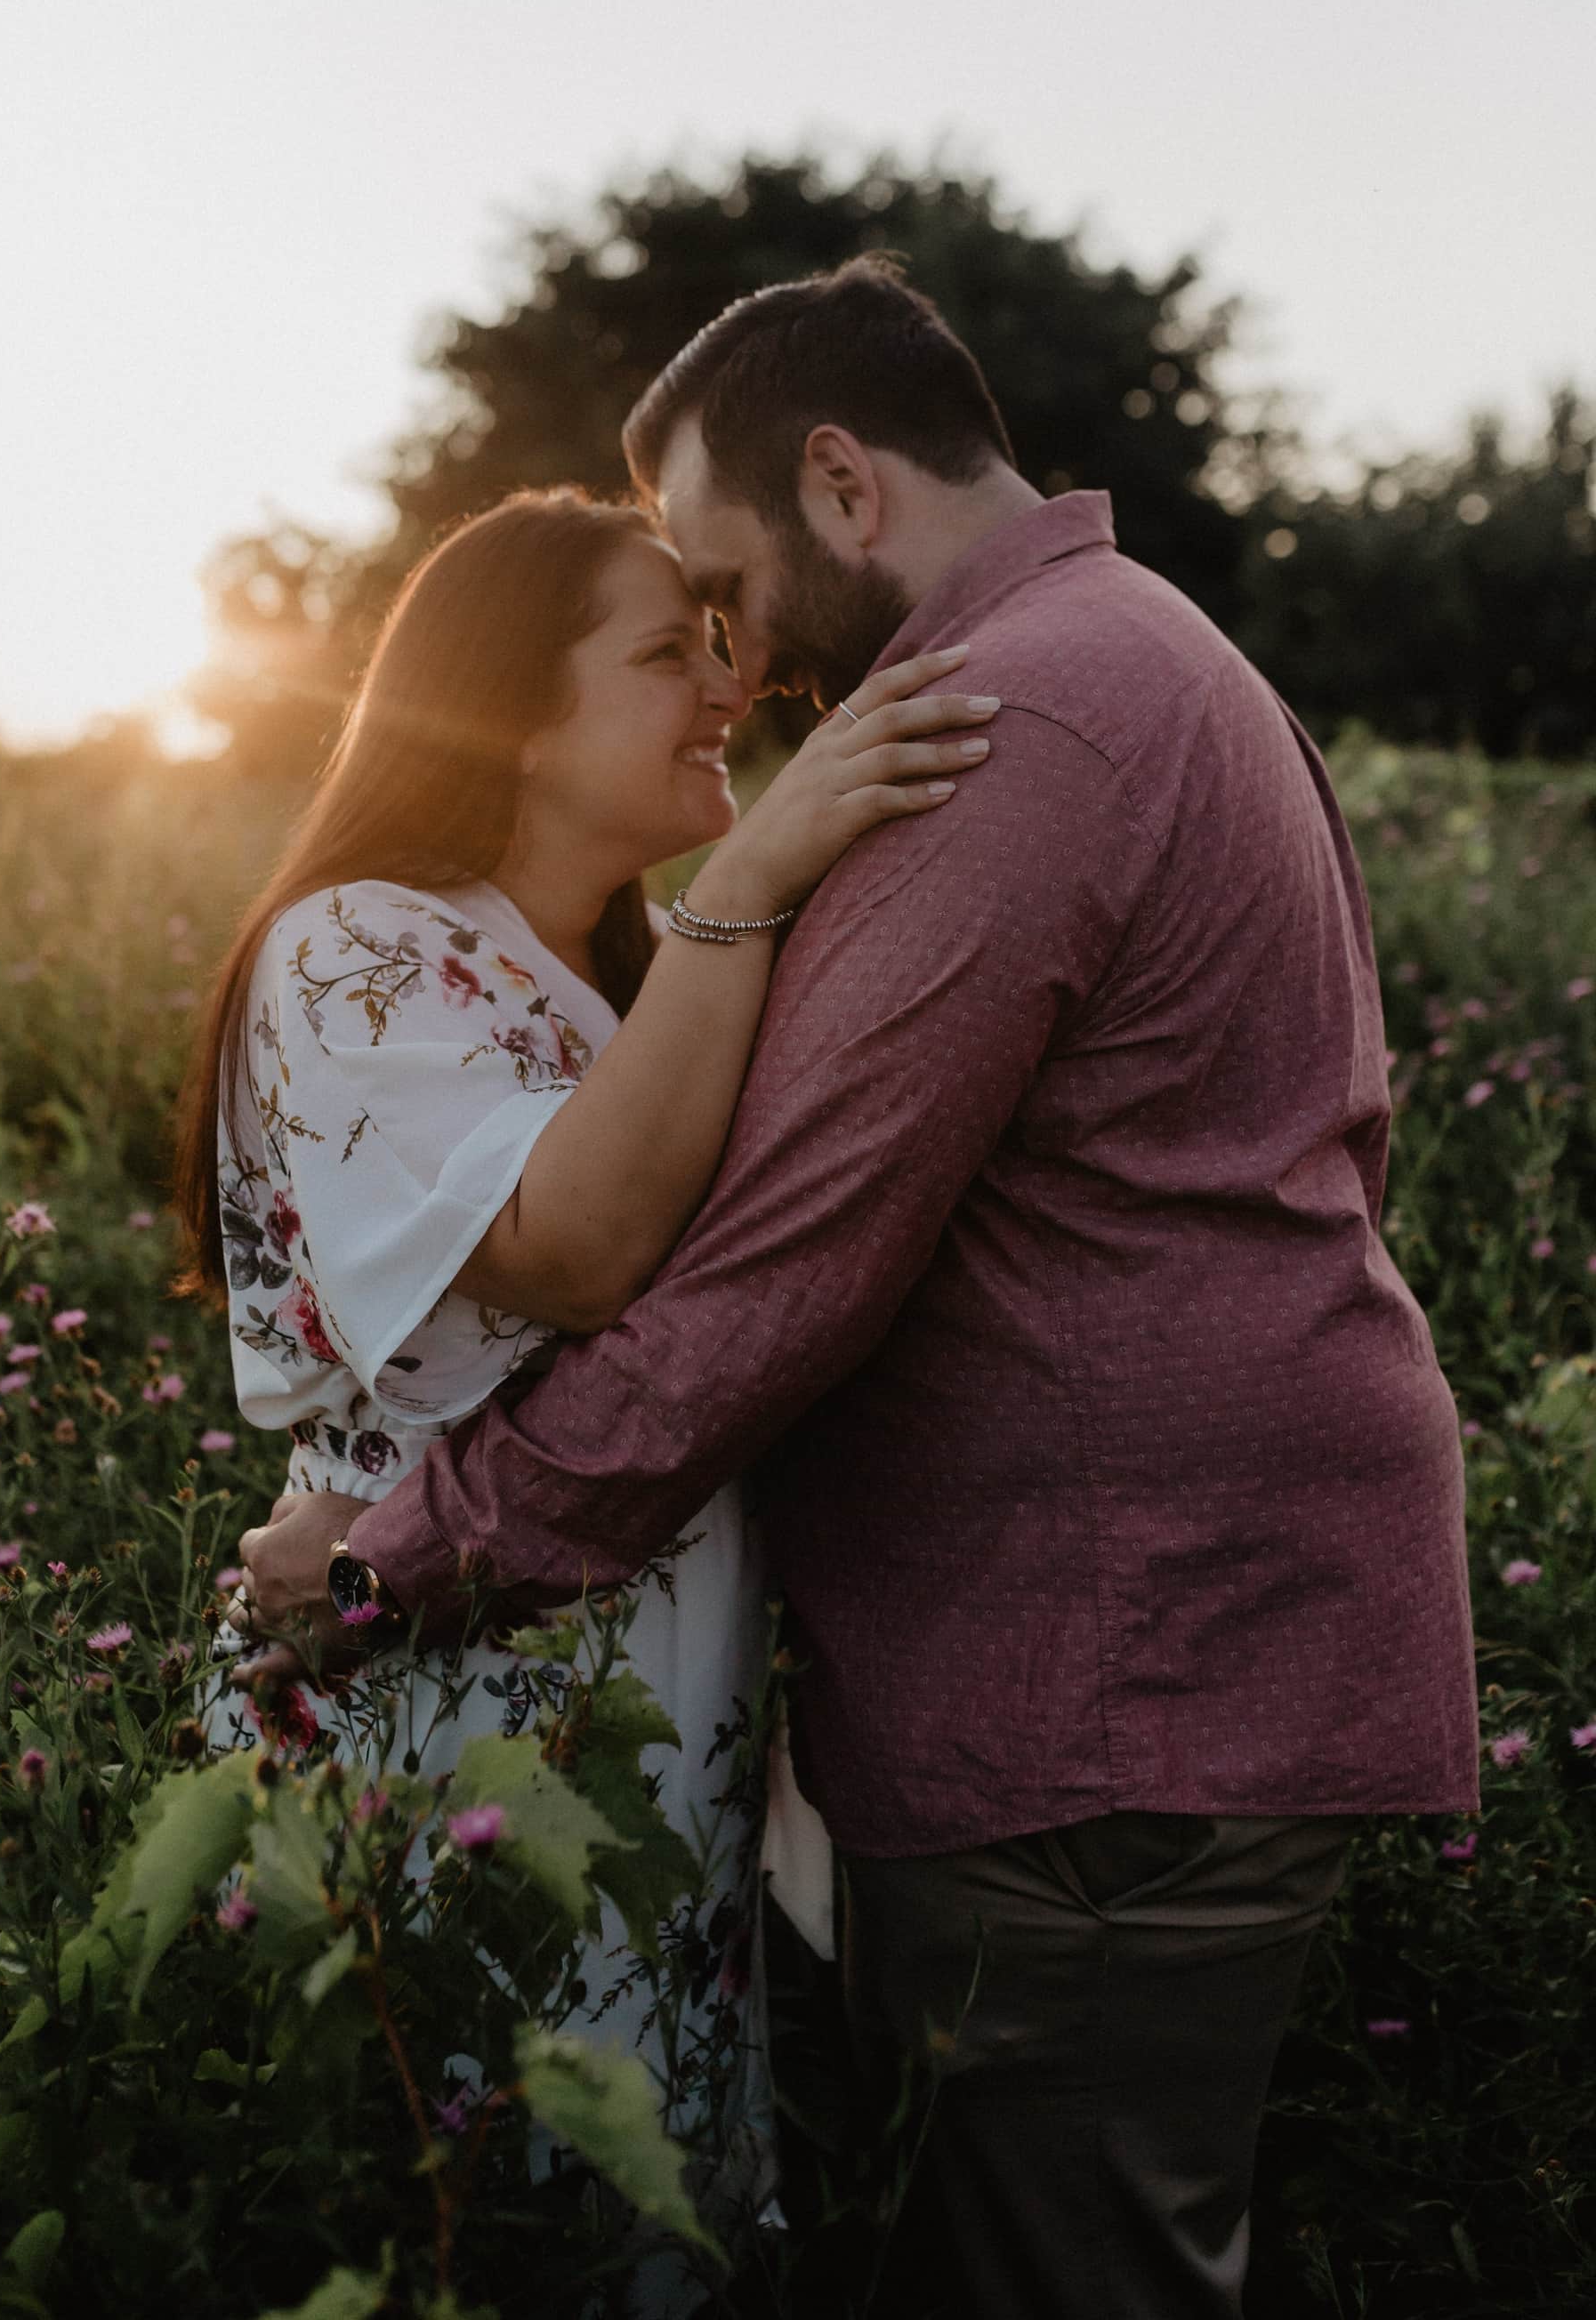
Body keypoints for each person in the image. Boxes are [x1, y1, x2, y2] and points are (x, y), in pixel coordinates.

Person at [238, 260, 1481, 2319]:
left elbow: (775, 1278)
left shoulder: (1004, 727)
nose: (735, 661)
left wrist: (400, 1562)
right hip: (1154, 1646)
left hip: (1111, 1677)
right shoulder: (1144, 656)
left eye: (722, 588)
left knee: (1065, 2274)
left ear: (839, 483)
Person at [174, 486, 993, 2241]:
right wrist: (754, 873)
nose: (725, 683)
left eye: (718, 642)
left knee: (644, 2193)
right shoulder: (364, 947)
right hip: (447, 1696)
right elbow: (579, 1247)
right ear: (509, 714)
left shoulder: (610, 991)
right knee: (483, 2205)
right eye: (662, 650)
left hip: (634, 1709)